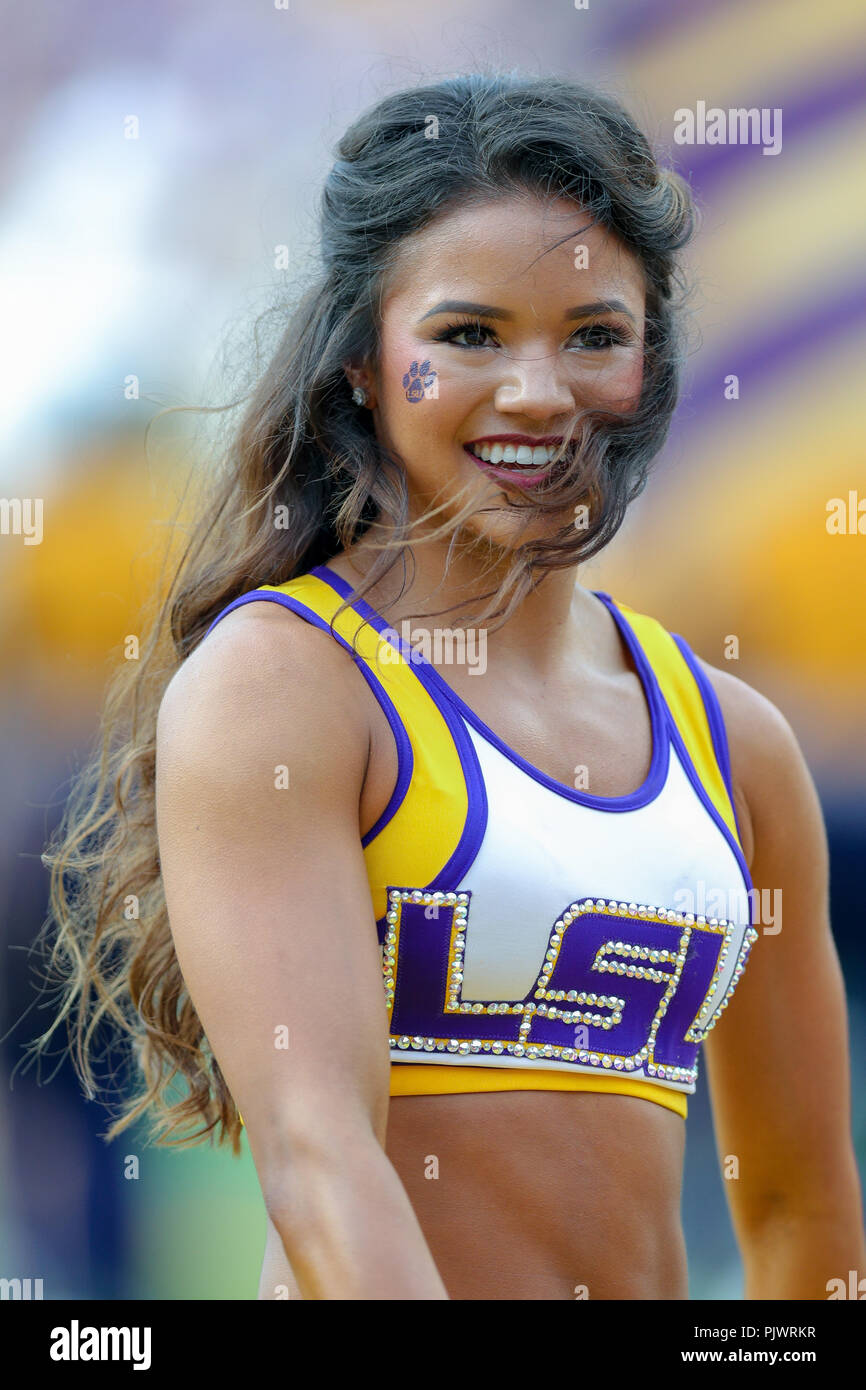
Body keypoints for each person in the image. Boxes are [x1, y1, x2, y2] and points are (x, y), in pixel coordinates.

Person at [36, 73, 864, 1301]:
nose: (535, 392)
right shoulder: (284, 688)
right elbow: (319, 1159)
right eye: (467, 335)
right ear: (364, 362)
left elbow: (799, 1203)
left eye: (592, 334)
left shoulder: (732, 742)